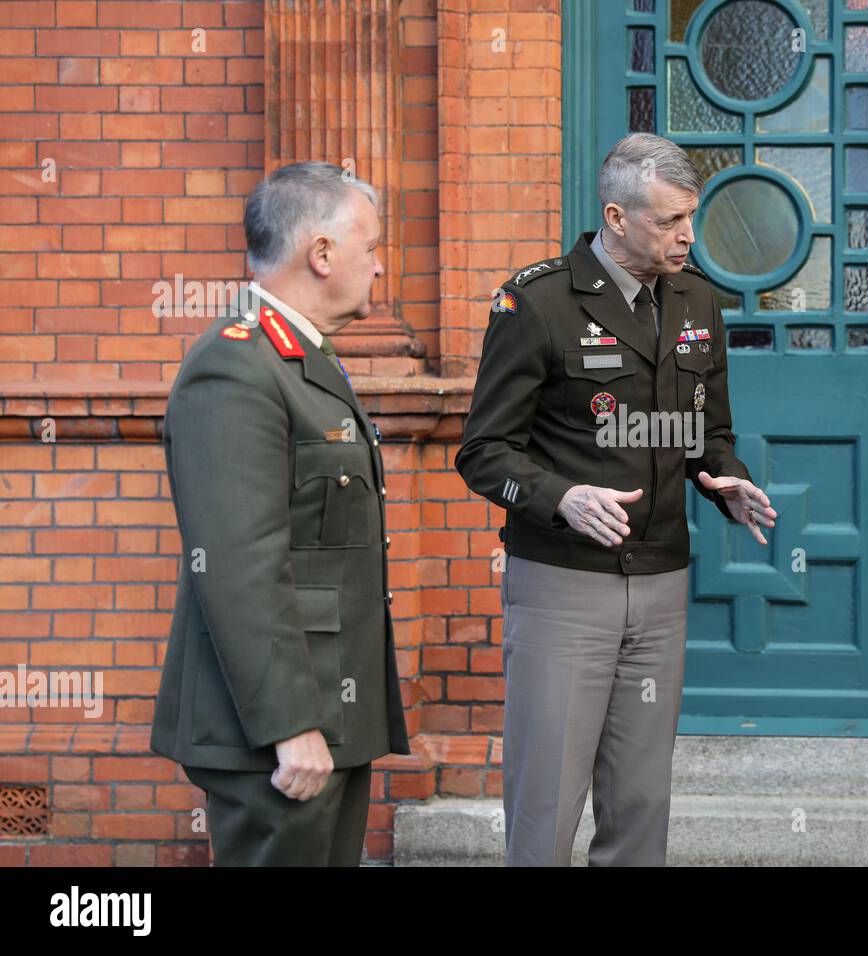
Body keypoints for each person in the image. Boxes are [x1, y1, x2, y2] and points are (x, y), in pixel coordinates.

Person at [456, 132, 777, 866]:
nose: (688, 236)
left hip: (663, 579)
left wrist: (724, 478)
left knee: (640, 806)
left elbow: (708, 430)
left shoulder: (698, 298)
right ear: (617, 216)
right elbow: (482, 452)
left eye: (690, 217)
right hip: (564, 584)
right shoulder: (536, 303)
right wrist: (560, 496)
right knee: (547, 804)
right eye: (670, 221)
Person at [151, 161, 410, 865]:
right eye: (371, 247)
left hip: (329, 710)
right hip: (278, 728)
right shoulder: (236, 366)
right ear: (321, 254)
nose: (379, 268)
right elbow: (238, 563)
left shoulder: (301, 358)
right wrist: (291, 725)